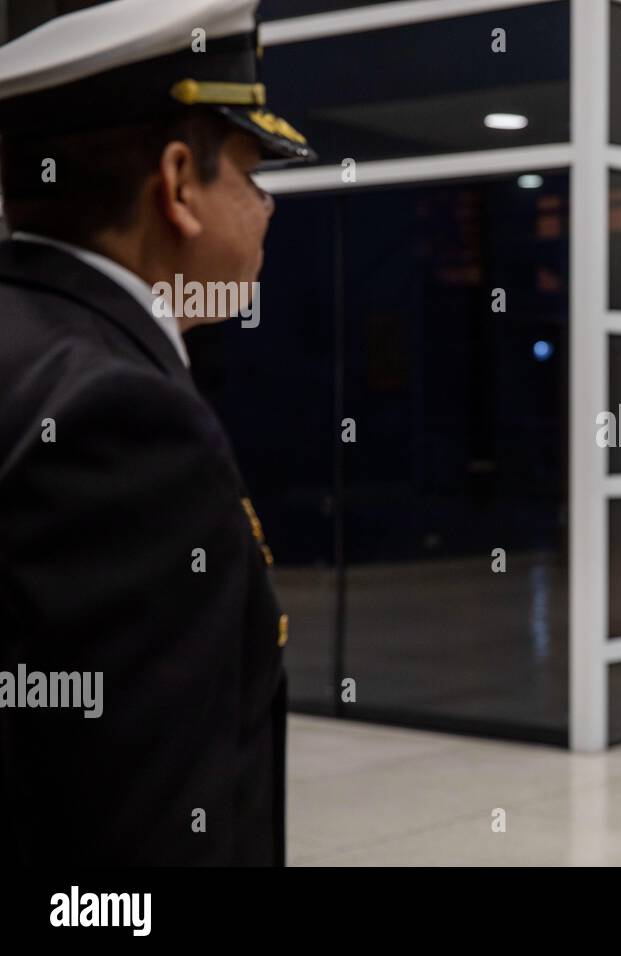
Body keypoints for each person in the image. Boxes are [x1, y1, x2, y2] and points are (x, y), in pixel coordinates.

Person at [0, 0, 315, 864]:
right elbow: (144, 815)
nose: (266, 206)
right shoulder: (120, 416)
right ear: (178, 182)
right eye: (252, 172)